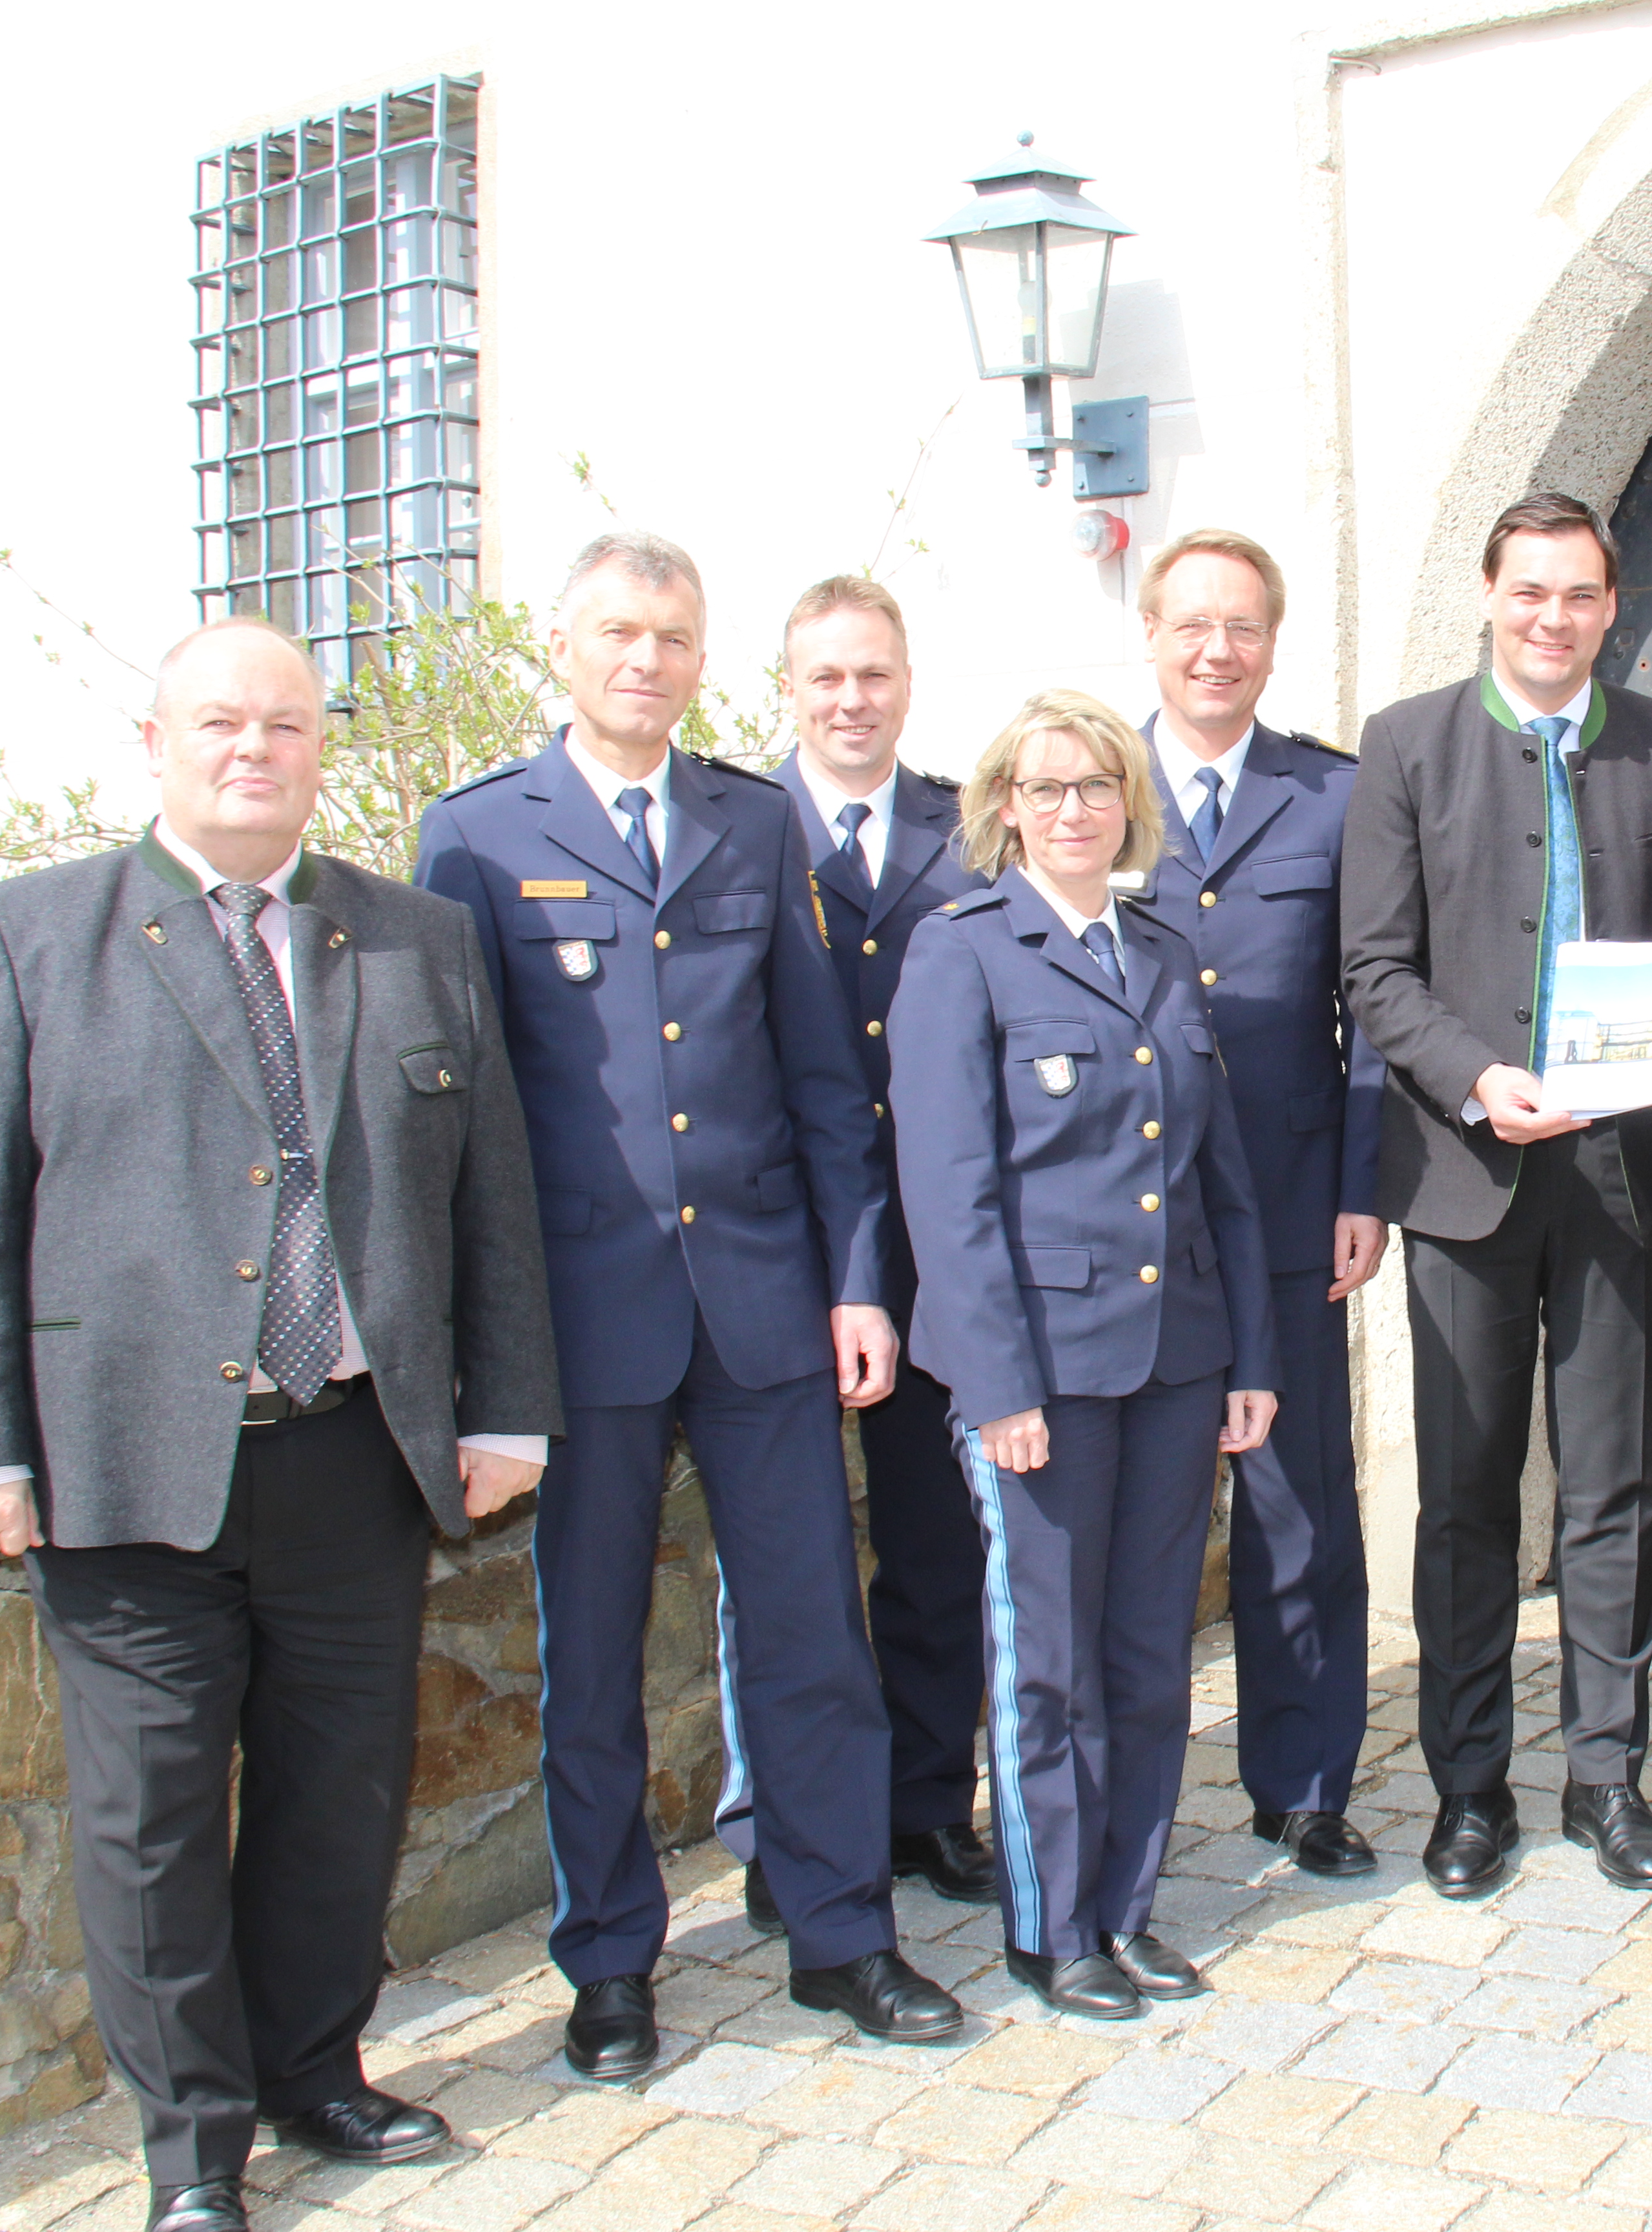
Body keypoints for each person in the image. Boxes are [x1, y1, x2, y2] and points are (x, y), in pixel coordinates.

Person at [0, 618, 561, 2232]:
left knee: (345, 1794)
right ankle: (194, 2150)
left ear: (318, 747)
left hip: (357, 1451)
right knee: (150, 1825)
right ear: (156, 742)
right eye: (221, 723)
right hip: (126, 1467)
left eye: (284, 724)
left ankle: (315, 2071)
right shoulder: (27, 936)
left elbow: (494, 1201)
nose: (254, 748)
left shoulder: (411, 939)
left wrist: (511, 1411)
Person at [413, 532, 962, 2071]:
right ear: (564, 649)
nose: (644, 661)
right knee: (586, 1660)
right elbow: (455, 1122)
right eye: (617, 635)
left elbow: (814, 1079)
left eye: (670, 637)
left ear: (700, 658)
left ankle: (843, 1934)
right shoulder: (472, 835)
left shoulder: (747, 819)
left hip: (763, 1302)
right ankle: (609, 1966)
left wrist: (858, 1282)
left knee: (811, 1638)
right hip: (577, 1326)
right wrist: (483, 1353)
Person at [1342, 490, 1652, 1899]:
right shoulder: (1407, 747)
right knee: (1461, 1496)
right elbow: (1376, 973)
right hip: (1467, 1170)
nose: (1553, 618)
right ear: (1492, 596)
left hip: (1620, 1171)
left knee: (1611, 1487)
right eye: (1530, 593)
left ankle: (1606, 1777)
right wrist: (1474, 1077)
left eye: (1579, 596)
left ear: (1610, 606)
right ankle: (1468, 1792)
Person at [889, 689, 1281, 2019]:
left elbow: (1220, 1180)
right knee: (1046, 1660)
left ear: (1129, 806)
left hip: (1175, 1359)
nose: (1073, 810)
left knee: (1147, 1654)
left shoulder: (1164, 954)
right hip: (1042, 1376)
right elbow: (949, 1195)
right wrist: (993, 1387)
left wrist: (1250, 1360)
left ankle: (1128, 1904)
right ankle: (1053, 1929)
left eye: (1098, 788)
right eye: (1048, 789)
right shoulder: (963, 954)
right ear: (1007, 807)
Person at [743, 575, 1000, 1910]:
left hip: (926, 1234)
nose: (851, 700)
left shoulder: (968, 832)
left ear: (907, 682)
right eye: (825, 677)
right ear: (787, 685)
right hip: (766, 1243)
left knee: (933, 1541)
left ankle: (922, 1808)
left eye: (875, 676)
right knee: (774, 1562)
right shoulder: (734, 827)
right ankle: (777, 1823)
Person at [1133, 528, 1387, 1879]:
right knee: (1144, 1526)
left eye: (1241, 627)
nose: (1216, 649)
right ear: (1152, 636)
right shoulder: (1089, 791)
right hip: (1132, 1226)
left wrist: (1363, 1187)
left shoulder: (1333, 798)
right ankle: (1130, 1792)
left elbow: (1376, 1013)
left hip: (1292, 1212)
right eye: (1191, 625)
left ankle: (1305, 1783)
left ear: (1273, 644)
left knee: (1301, 1511)